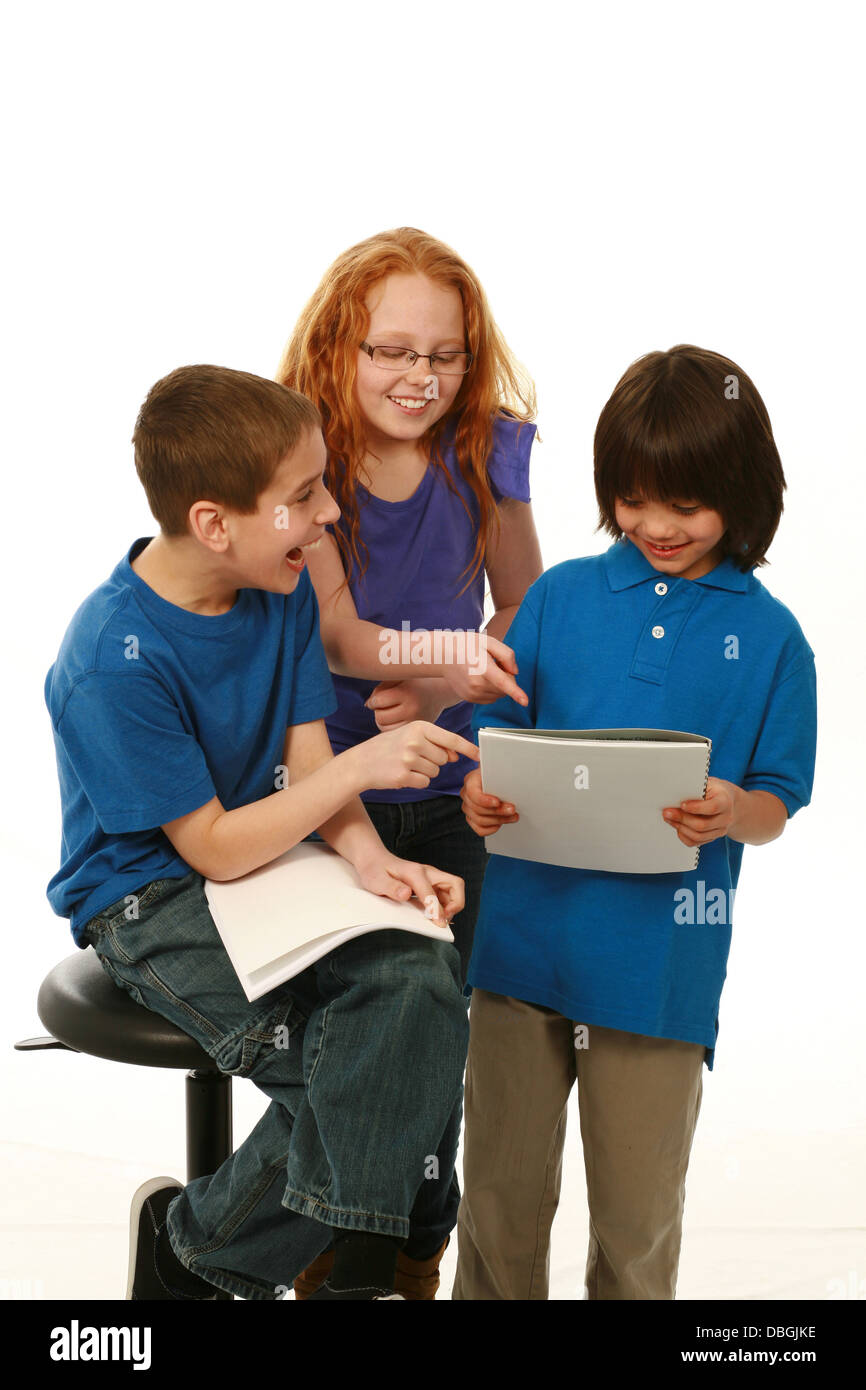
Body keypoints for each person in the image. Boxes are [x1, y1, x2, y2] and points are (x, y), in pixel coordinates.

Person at [44, 363, 479, 1301]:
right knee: (369, 1063)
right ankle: (336, 1280)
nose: (330, 514)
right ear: (214, 523)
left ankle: (193, 1254)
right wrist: (367, 769)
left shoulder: (279, 591)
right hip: (150, 898)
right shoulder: (108, 659)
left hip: (276, 867)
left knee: (423, 983)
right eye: (305, 495)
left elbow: (313, 761)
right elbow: (209, 846)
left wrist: (374, 860)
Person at [453, 344, 817, 1300]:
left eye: (686, 507)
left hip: (659, 971)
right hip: (522, 950)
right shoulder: (560, 598)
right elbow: (496, 733)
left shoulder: (775, 640)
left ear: (745, 495)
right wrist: (477, 794)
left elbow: (779, 796)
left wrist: (740, 810)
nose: (655, 526)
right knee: (494, 1202)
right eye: (634, 499)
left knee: (636, 1217)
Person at [276, 227, 544, 1297]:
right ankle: (340, 1239)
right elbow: (339, 637)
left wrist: (442, 686)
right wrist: (443, 654)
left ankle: (413, 1234)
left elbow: (523, 603)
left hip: (447, 785)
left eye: (442, 357)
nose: (417, 378)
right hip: (328, 788)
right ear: (343, 346)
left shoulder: (486, 449)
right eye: (391, 351)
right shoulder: (308, 461)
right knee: (352, 1028)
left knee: (442, 1029)